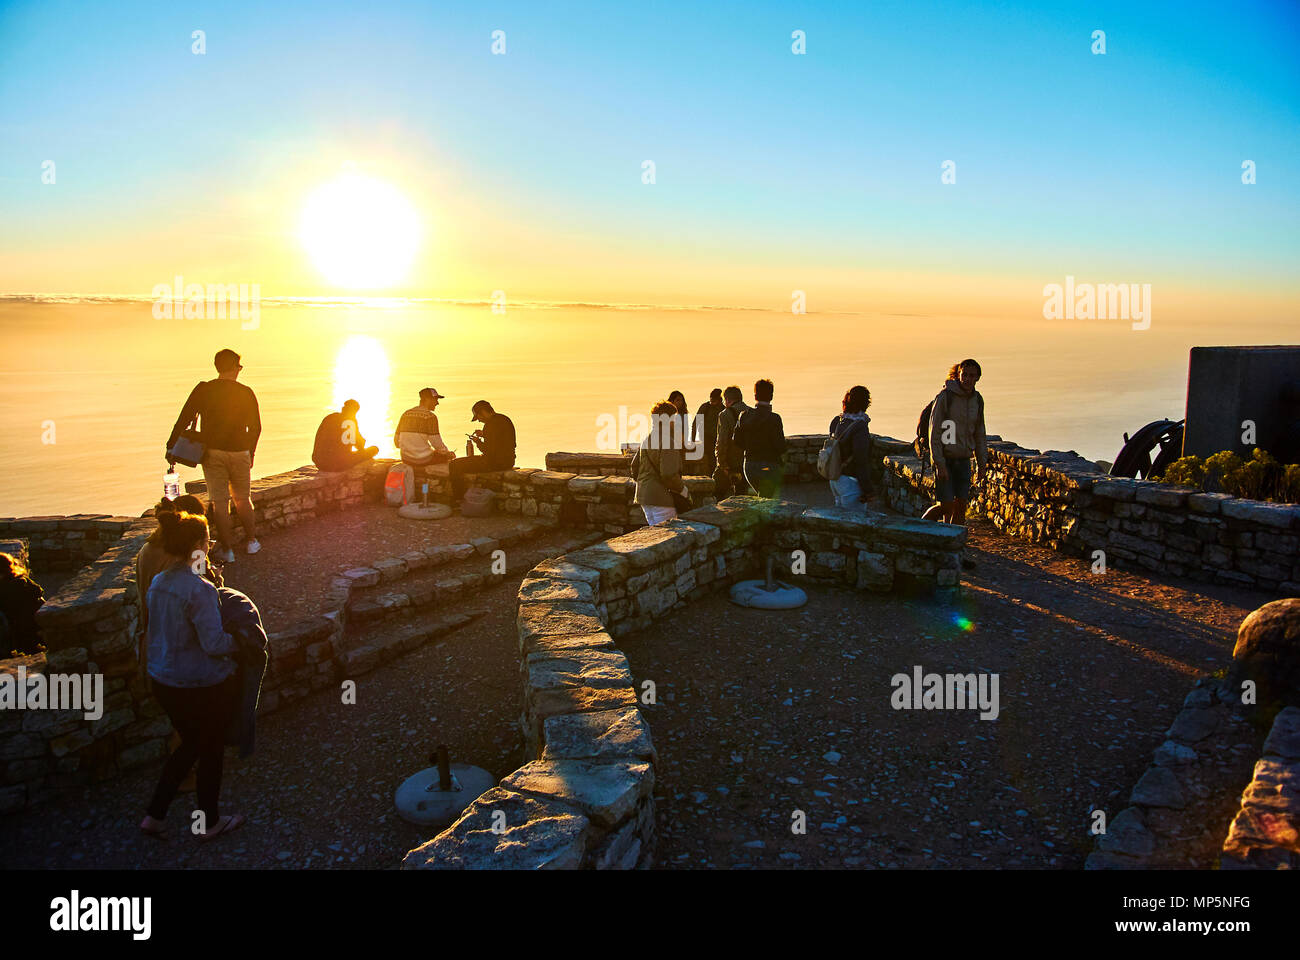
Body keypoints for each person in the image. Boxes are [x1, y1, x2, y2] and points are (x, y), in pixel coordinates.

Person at [138, 509, 244, 842]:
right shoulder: (198, 590)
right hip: (198, 684)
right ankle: (210, 822)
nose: (211, 541)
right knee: (209, 750)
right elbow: (213, 644)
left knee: (190, 746)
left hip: (163, 679)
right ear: (199, 544)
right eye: (209, 537)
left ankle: (155, 816)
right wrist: (241, 642)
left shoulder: (159, 582)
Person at [167, 349, 262, 563]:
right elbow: (256, 427)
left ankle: (227, 550)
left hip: (212, 453)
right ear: (235, 368)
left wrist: (171, 445)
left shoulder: (204, 389)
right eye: (239, 366)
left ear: (218, 367)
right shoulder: (245, 392)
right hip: (240, 452)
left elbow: (184, 418)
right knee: (243, 498)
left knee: (220, 502)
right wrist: (251, 452)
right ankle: (252, 541)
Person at [921, 359, 988, 566]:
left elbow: (979, 433)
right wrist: (939, 463)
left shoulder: (977, 400)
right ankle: (917, 531)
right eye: (965, 374)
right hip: (946, 459)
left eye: (972, 375)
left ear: (978, 377)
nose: (968, 379)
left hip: (964, 460)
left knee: (960, 508)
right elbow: (935, 431)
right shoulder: (945, 397)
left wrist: (982, 462)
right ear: (958, 375)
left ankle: (954, 552)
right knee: (946, 506)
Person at [633, 400, 690, 526]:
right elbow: (668, 474)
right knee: (669, 536)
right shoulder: (667, 441)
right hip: (661, 499)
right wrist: (683, 490)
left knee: (656, 535)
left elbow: (634, 466)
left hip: (644, 497)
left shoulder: (646, 439)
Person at [450, 400, 517, 500]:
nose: (479, 421)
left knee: (454, 465)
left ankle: (458, 499)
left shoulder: (489, 425)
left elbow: (488, 451)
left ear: (484, 412)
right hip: (509, 461)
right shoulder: (504, 419)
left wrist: (478, 442)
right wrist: (484, 434)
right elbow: (501, 440)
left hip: (493, 463)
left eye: (478, 417)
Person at [733, 378, 786, 498]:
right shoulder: (775, 419)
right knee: (767, 499)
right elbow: (780, 446)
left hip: (749, 466)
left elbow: (736, 440)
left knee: (762, 497)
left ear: (755, 395)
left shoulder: (744, 415)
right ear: (771, 396)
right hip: (768, 466)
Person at [828, 385, 878, 509]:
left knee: (839, 520)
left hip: (835, 479)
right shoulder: (860, 426)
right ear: (866, 403)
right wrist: (868, 490)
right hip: (850, 482)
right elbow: (860, 460)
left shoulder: (838, 420)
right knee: (856, 523)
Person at [394, 387, 455, 467]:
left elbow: (396, 443)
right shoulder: (430, 417)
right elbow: (437, 444)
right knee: (449, 458)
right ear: (427, 399)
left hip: (406, 459)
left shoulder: (405, 414)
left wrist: (411, 449)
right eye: (435, 399)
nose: (437, 403)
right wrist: (448, 453)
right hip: (423, 460)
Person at [312, 399, 379, 472]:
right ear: (354, 411)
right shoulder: (350, 421)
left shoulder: (329, 417)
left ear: (343, 408)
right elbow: (359, 445)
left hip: (320, 463)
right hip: (340, 463)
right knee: (374, 449)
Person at [0, 552, 44, 656]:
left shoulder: (4, 589)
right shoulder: (23, 580)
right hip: (37, 623)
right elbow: (39, 591)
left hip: (20, 631)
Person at [713, 385, 750, 498]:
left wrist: (722, 463)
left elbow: (722, 441)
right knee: (742, 493)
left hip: (731, 462)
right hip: (748, 460)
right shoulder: (751, 412)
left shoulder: (725, 414)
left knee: (716, 490)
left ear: (728, 400)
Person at [692, 388, 723, 476]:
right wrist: (693, 441)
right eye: (711, 399)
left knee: (715, 461)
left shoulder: (723, 409)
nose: (712, 401)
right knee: (709, 462)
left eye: (714, 399)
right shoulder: (705, 407)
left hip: (718, 439)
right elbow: (695, 423)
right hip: (706, 439)